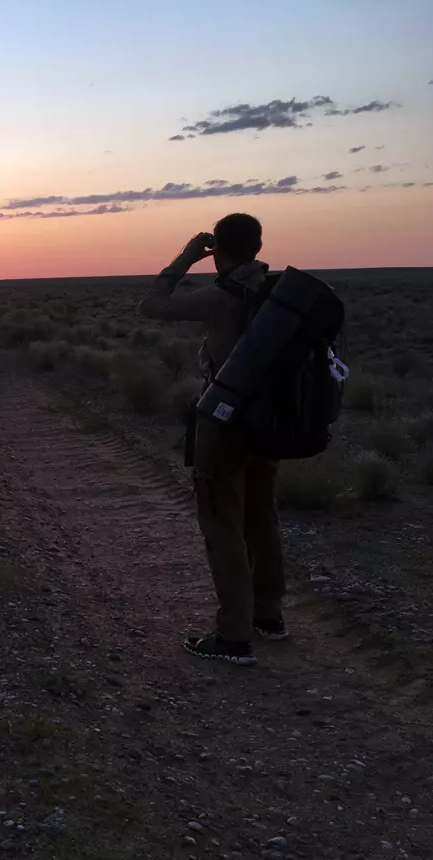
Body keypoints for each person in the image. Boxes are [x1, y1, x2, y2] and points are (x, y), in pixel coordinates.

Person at [139, 213, 288, 667]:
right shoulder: (278, 292)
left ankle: (233, 635)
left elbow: (152, 304)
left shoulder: (223, 297)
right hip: (271, 422)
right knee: (262, 518)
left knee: (222, 525)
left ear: (218, 250)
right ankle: (268, 616)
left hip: (224, 426)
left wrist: (187, 256)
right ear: (258, 247)